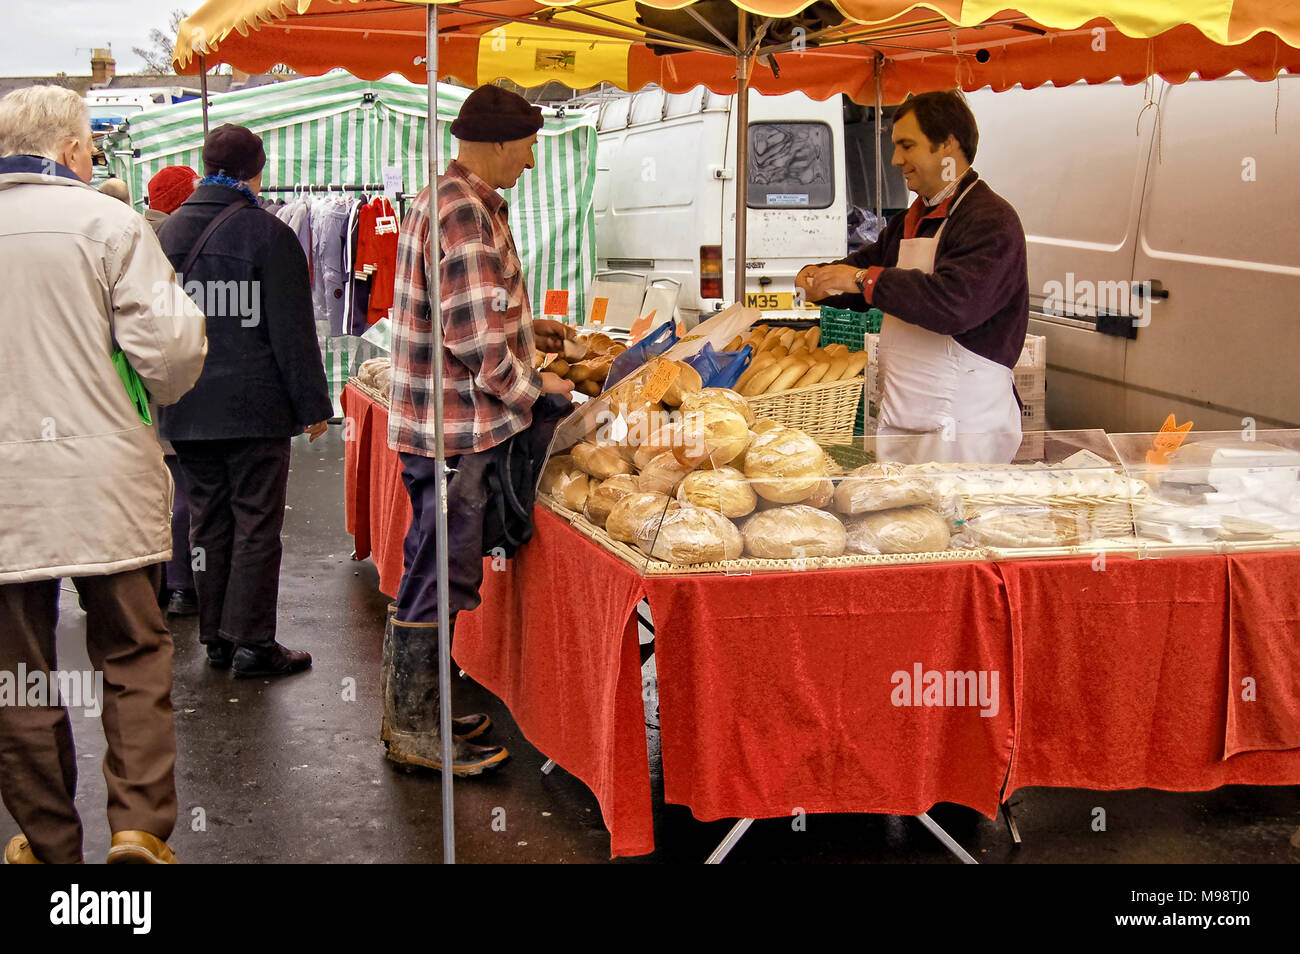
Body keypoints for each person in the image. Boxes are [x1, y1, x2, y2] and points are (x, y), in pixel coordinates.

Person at [0, 85, 207, 865]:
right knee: (131, 654)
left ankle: (51, 844)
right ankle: (139, 828)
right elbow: (173, 352)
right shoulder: (109, 223)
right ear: (76, 150)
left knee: (15, 677)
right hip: (106, 481)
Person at [386, 85, 574, 776]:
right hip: (456, 435)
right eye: (526, 146)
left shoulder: (446, 198)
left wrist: (532, 329)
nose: (529, 161)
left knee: (435, 568)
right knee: (439, 573)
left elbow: (474, 319)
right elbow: (477, 347)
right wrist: (538, 386)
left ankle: (421, 709)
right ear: (498, 142)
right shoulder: (466, 213)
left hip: (442, 426)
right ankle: (412, 729)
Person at [157, 125, 332, 679]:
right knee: (256, 522)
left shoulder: (164, 235)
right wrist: (314, 406)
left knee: (207, 521)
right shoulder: (267, 233)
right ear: (257, 170)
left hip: (186, 404)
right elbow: (292, 331)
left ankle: (215, 636)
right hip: (255, 408)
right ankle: (253, 641)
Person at [797, 90, 1029, 463]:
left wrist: (859, 280)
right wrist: (822, 281)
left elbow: (953, 304)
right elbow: (867, 268)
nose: (896, 159)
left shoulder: (990, 220)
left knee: (956, 519)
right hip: (907, 412)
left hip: (965, 423)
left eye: (907, 145)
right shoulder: (914, 218)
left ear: (948, 145)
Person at [143, 166, 201, 618]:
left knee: (150, 491)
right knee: (183, 489)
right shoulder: (171, 242)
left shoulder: (134, 234)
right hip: (166, 384)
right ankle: (182, 583)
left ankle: (158, 584)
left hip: (129, 388)